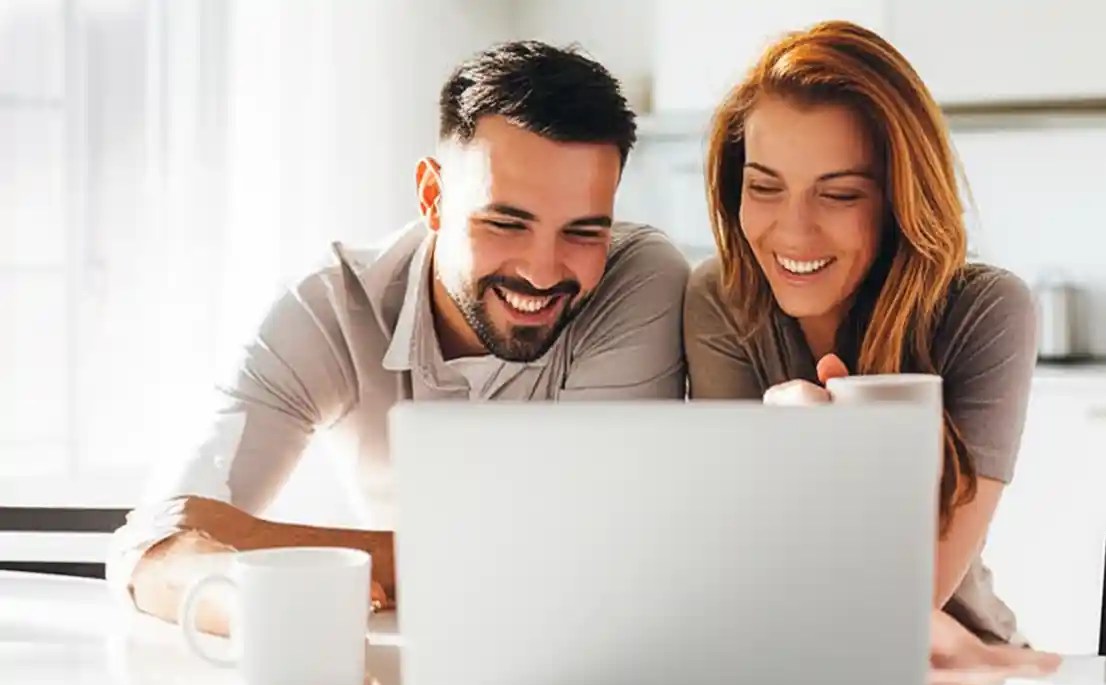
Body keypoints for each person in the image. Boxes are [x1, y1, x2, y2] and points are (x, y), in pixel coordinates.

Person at [108, 40, 690, 634]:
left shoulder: (638, 278)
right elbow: (153, 549)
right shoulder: (328, 310)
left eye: (583, 232)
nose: (542, 272)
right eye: (505, 223)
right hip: (400, 663)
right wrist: (281, 610)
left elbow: (582, 561)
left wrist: (262, 544)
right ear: (432, 197)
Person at [682, 20, 1060, 679]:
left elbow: (898, 606)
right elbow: (737, 577)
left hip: (961, 672)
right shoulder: (720, 299)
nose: (793, 232)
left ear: (898, 199)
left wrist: (813, 455)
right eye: (765, 187)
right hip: (788, 667)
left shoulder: (985, 310)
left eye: (840, 194)